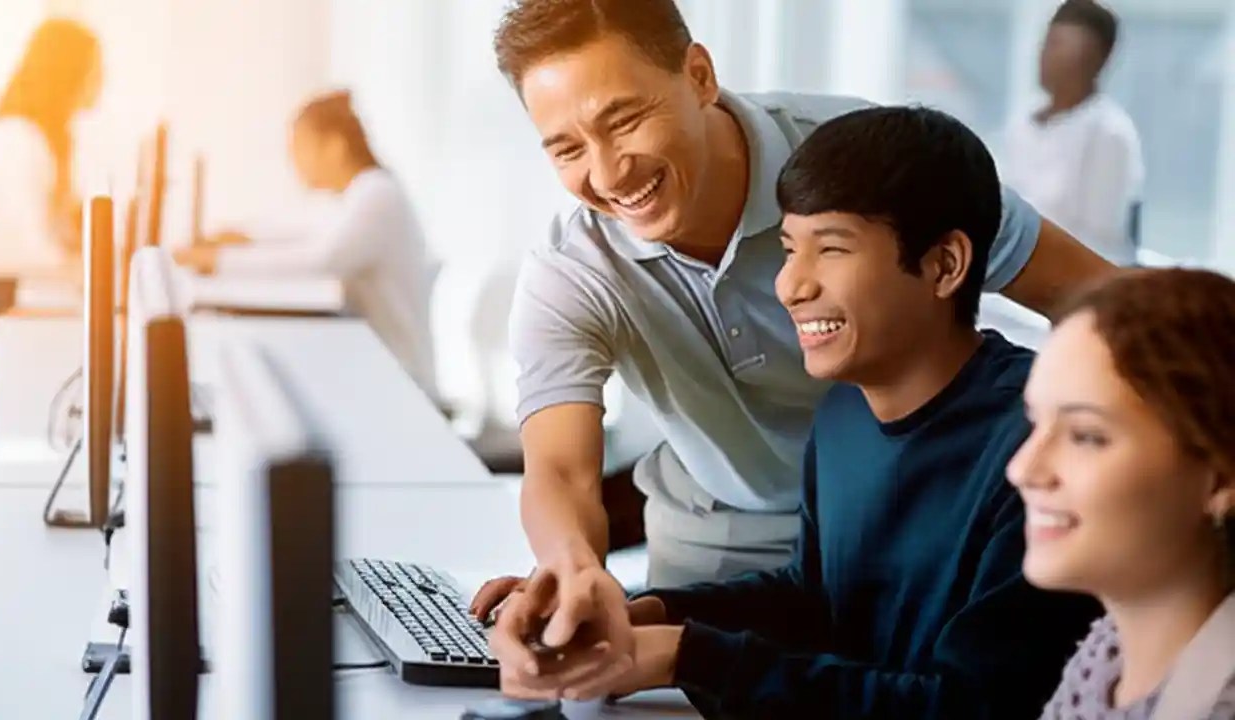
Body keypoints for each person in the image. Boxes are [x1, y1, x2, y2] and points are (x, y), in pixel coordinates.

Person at [475, 0, 1116, 685]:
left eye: (625, 120)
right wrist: (578, 579)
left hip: (924, 497)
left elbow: (1111, 305)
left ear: (698, 75)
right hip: (759, 537)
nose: (607, 175)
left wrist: (1093, 442)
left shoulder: (866, 159)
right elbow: (563, 473)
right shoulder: (572, 269)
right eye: (567, 149)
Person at [1008, 268, 1235, 719]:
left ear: (1220, 478)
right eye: (1036, 423)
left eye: (1086, 436)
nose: (1022, 470)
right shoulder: (1106, 653)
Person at [175, 90, 439, 399]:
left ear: (335, 147)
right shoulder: (355, 196)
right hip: (378, 371)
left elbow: (322, 259)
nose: (294, 162)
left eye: (300, 149)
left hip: (403, 384)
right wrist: (241, 237)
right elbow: (302, 229)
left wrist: (217, 260)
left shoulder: (378, 195)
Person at [0, 18, 102, 366]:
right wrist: (90, 273)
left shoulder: (46, 139)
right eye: (95, 69)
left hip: (5, 287)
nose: (101, 80)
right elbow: (26, 246)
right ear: (69, 72)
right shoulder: (19, 137)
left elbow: (51, 236)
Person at [1002, 0, 1144, 266]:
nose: (1045, 55)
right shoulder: (1022, 123)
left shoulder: (1109, 133)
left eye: (1058, 45)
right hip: (1015, 272)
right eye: (1046, 43)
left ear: (1096, 58)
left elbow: (1100, 241)